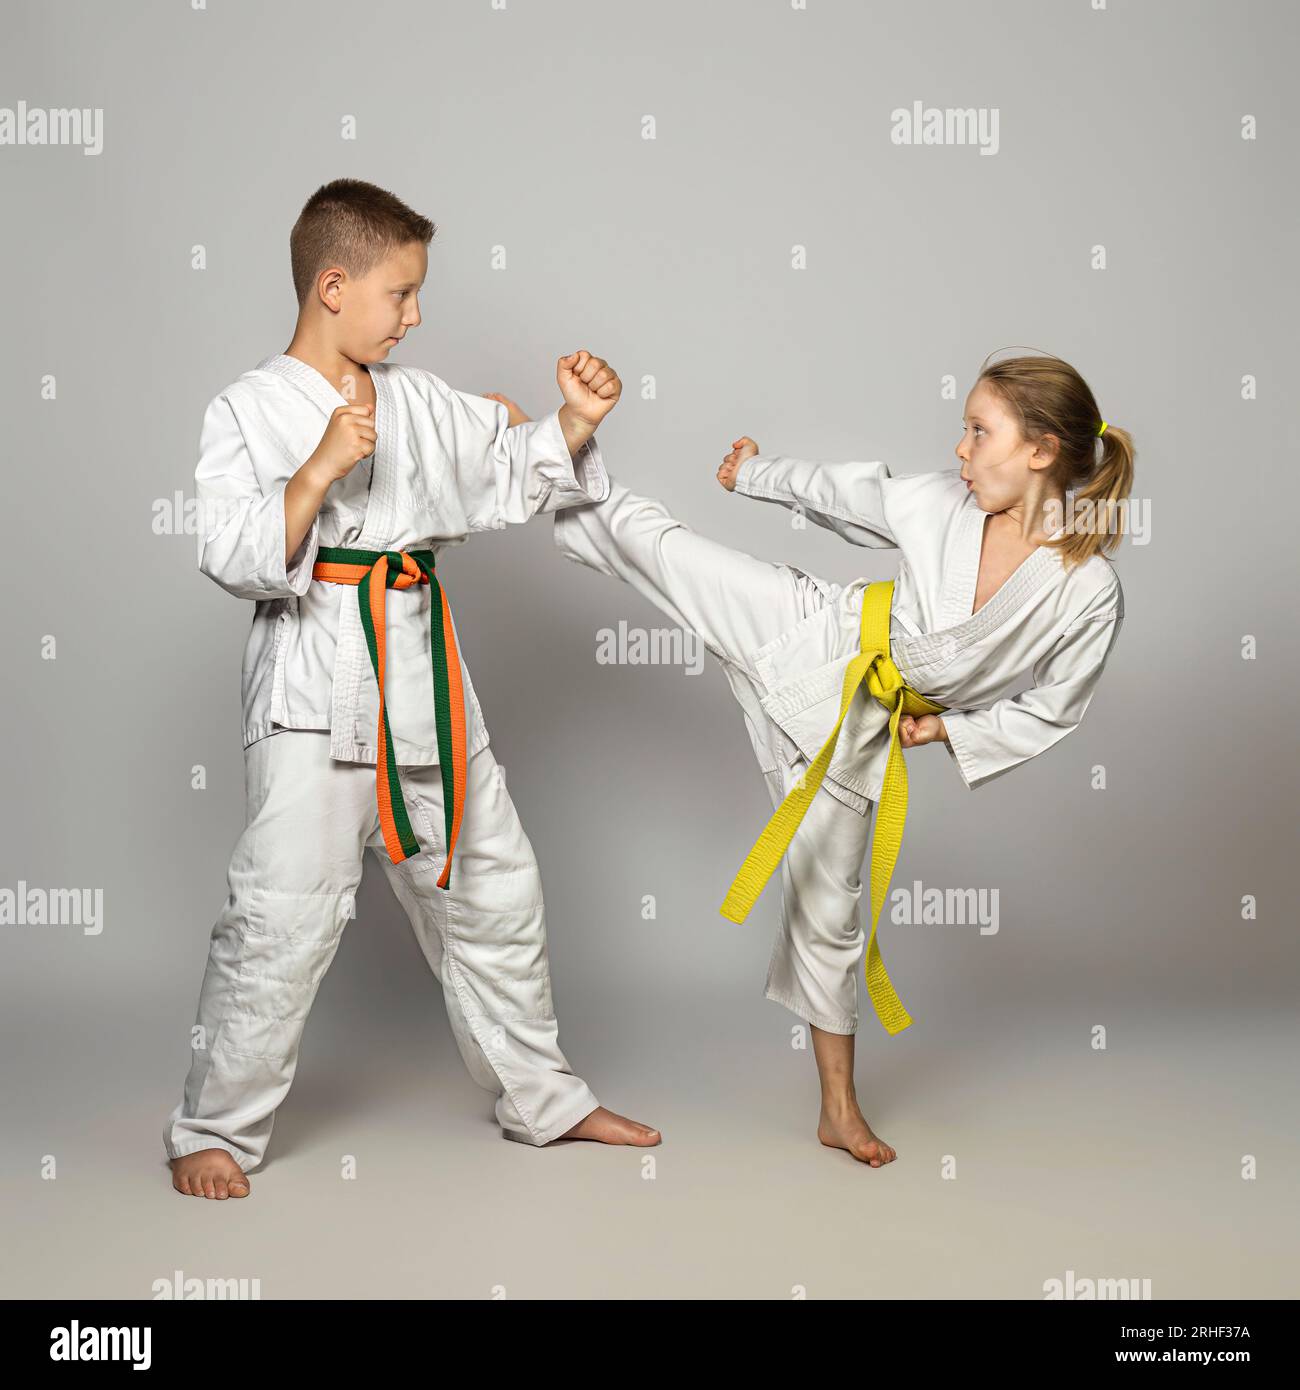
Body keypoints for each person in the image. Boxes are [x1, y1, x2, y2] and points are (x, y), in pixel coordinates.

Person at [497, 351, 1131, 1168]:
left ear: (1042, 450)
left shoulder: (1086, 590)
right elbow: (851, 494)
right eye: (965, 429)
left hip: (860, 728)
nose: (961, 448)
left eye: (980, 431)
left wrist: (950, 732)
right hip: (814, 629)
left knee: (831, 910)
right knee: (668, 551)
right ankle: (548, 450)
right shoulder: (941, 502)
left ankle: (838, 1109)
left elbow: (1056, 705)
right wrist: (755, 475)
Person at [164, 178, 660, 1200]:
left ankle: (544, 1099)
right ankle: (213, 1130)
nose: (417, 314)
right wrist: (315, 472)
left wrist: (571, 421)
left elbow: (509, 470)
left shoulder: (420, 398)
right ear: (333, 287)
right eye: (401, 292)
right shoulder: (247, 407)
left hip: (424, 681)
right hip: (311, 695)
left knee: (495, 888)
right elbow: (228, 549)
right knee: (282, 916)